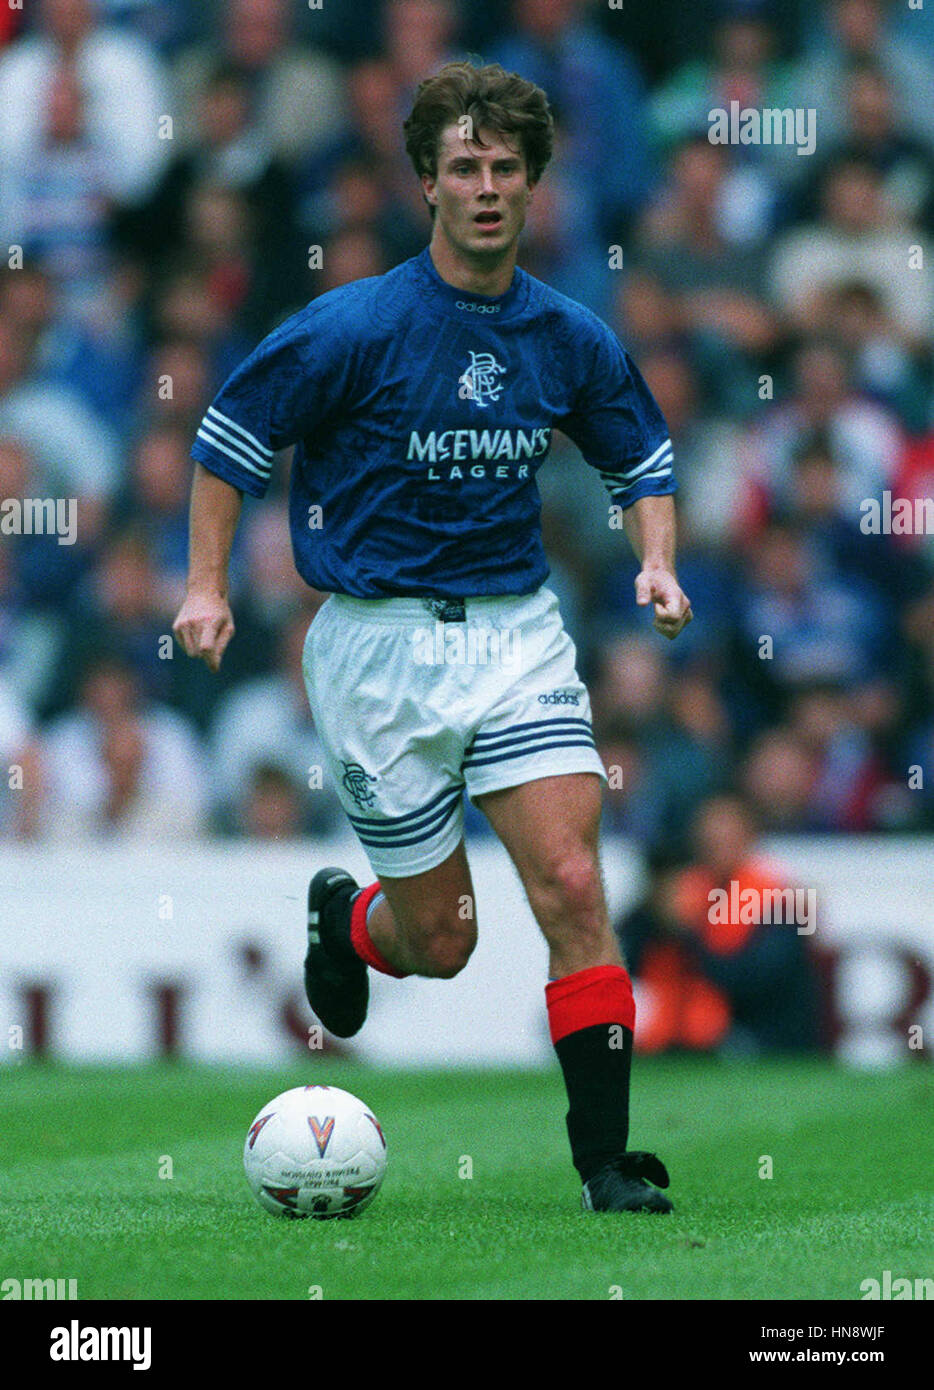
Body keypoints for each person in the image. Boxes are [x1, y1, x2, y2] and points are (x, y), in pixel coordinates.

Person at [173, 62, 693, 1215]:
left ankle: (606, 1164)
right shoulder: (351, 325)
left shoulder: (565, 335)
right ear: (426, 182)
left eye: (508, 166)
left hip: (516, 634)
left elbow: (641, 460)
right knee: (443, 940)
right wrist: (206, 585)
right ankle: (349, 918)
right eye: (466, 166)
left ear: (533, 183)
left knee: (569, 879)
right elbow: (226, 441)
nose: (488, 186)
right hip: (376, 650)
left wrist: (656, 559)